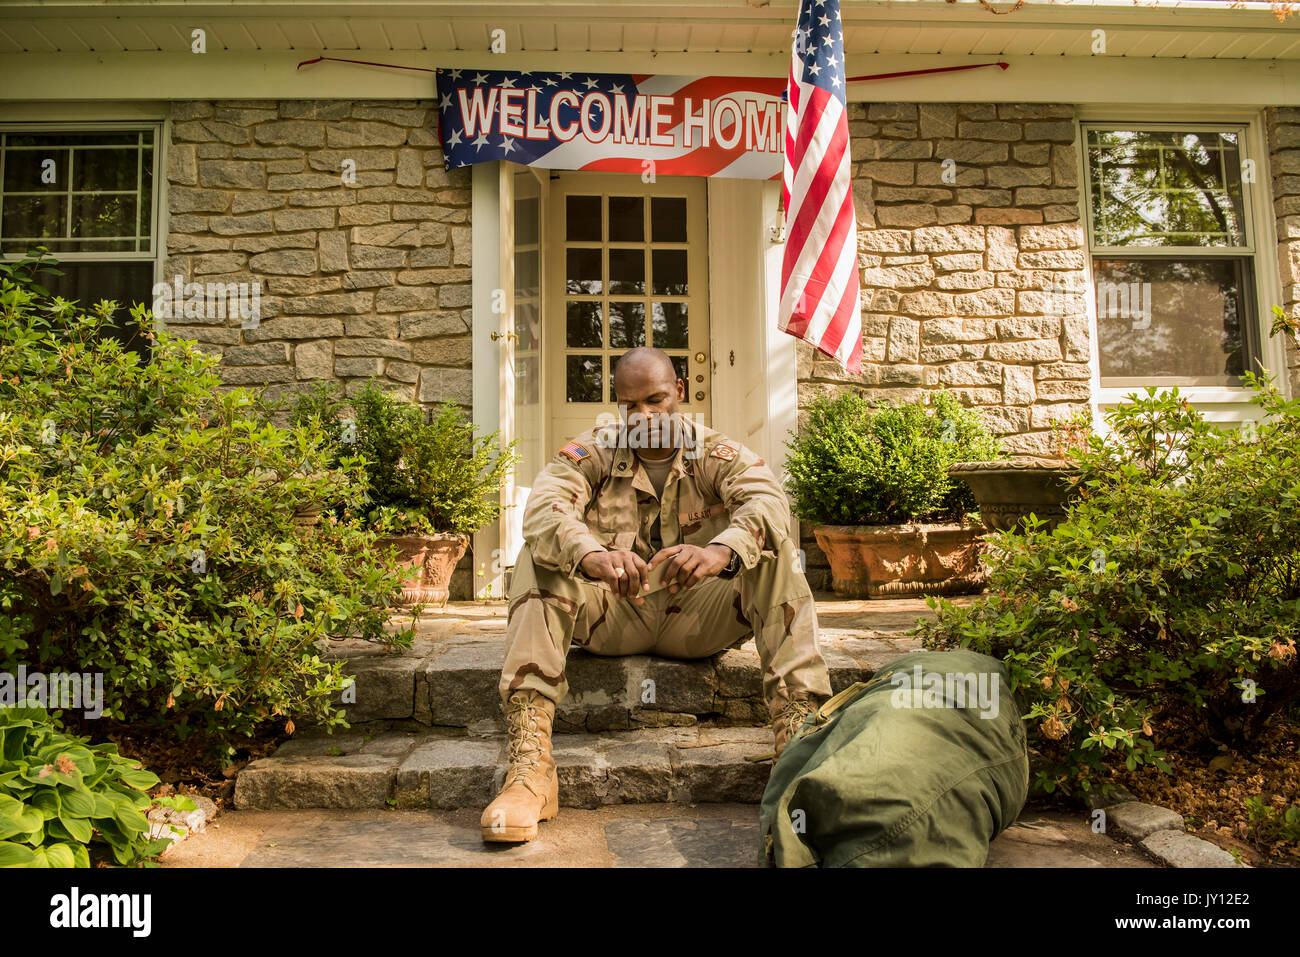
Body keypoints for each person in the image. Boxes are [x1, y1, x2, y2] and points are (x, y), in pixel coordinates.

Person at [482, 347, 832, 843]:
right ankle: (530, 771)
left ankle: (797, 749)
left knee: (775, 553)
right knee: (537, 558)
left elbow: (769, 504)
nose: (643, 416)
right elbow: (543, 510)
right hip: (615, 614)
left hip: (698, 618)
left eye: (656, 400)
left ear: (680, 393)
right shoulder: (593, 451)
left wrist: (721, 550)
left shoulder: (715, 452)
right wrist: (590, 555)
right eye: (629, 405)